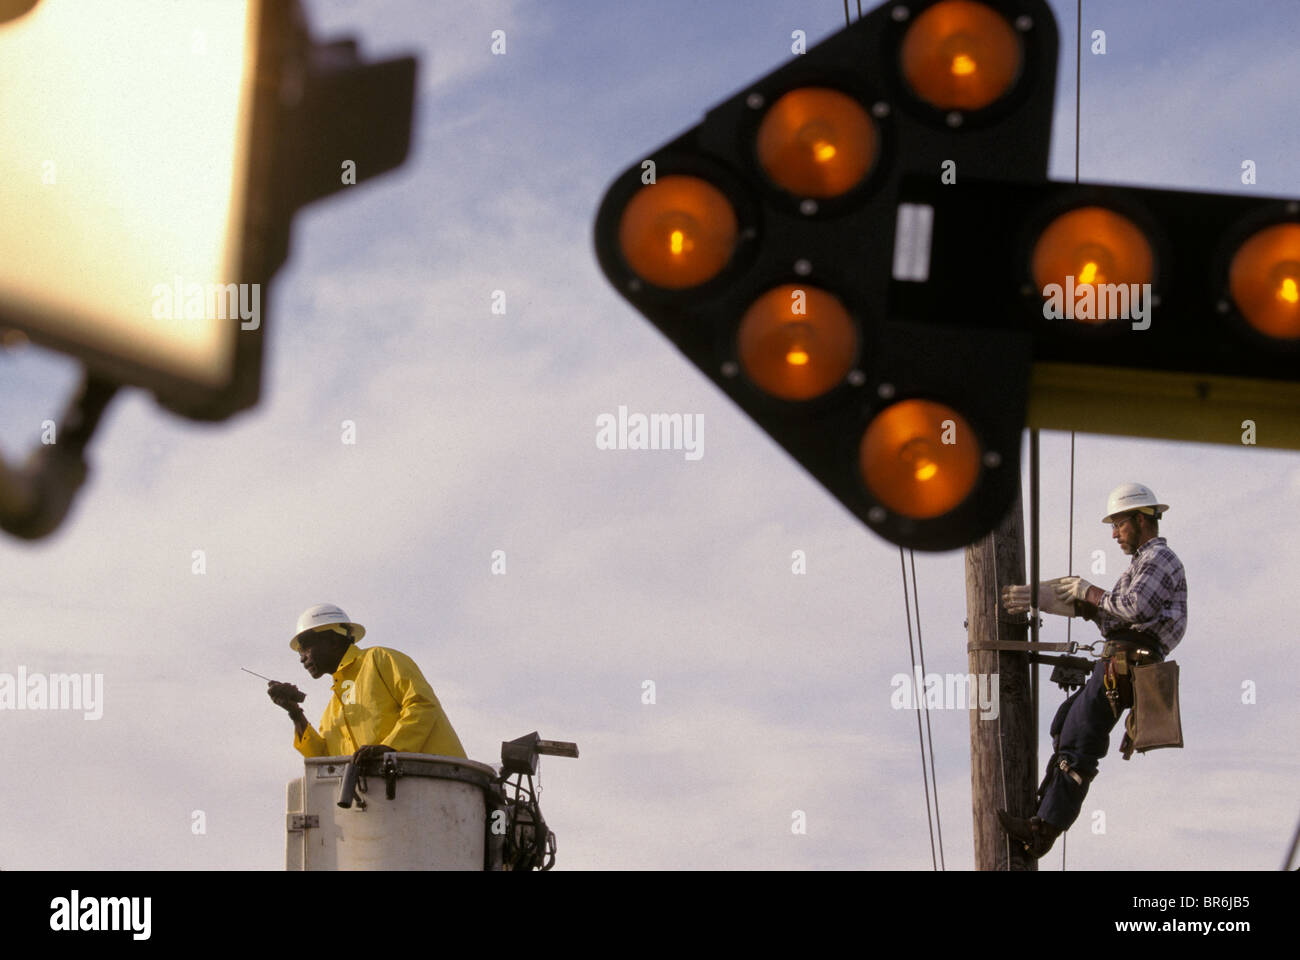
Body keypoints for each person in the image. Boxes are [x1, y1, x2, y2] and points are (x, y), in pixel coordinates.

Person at [996, 482, 1187, 859]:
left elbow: (1136, 608)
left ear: (1141, 519)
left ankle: (1042, 831)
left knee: (1081, 740)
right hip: (1119, 660)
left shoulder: (1160, 559)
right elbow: (1113, 617)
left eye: (1119, 524)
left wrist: (1088, 592)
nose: (1114, 534)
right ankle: (1040, 812)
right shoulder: (1140, 564)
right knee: (1064, 725)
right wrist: (1068, 602)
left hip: (1129, 665)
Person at [266, 603, 467, 761]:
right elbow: (324, 761)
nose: (302, 658)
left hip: (438, 784)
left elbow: (422, 704)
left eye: (305, 648)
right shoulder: (333, 711)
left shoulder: (380, 659)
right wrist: (295, 712)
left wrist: (390, 748)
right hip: (385, 802)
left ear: (333, 640)